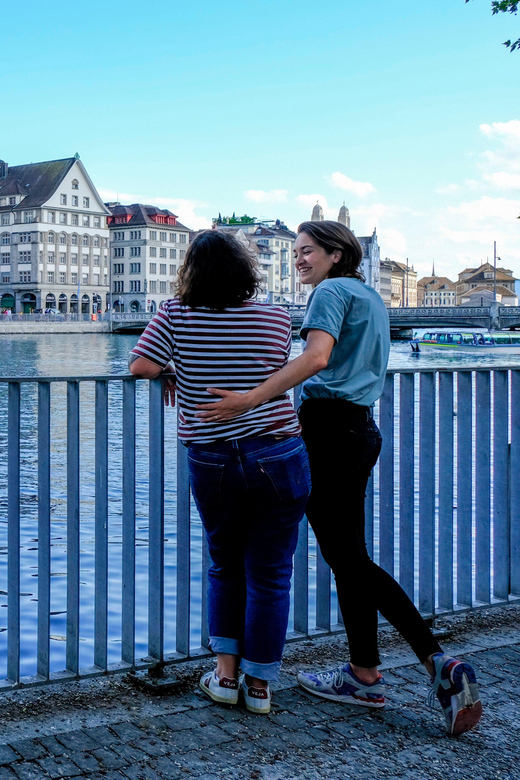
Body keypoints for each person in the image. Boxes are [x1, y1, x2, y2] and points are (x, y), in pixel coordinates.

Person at [195, 220, 482, 736]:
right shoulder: (368, 295)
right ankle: (365, 675)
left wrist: (250, 398)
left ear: (335, 253)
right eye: (298, 252)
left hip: (325, 431)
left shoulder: (330, 291)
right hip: (359, 429)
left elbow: (317, 357)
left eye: (307, 252)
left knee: (347, 559)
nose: (300, 260)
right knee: (349, 557)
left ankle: (437, 661)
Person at [128, 230, 311, 715]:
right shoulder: (276, 315)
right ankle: (260, 687)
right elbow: (273, 368)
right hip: (277, 449)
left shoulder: (174, 314)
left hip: (211, 453)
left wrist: (172, 369)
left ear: (190, 271)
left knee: (225, 564)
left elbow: (140, 366)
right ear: (245, 270)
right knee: (272, 572)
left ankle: (225, 677)